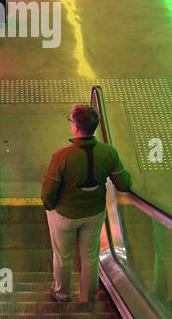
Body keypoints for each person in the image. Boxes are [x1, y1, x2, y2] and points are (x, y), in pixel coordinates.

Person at [41, 104, 133, 303]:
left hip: (65, 215)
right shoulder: (109, 153)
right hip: (93, 214)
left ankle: (62, 294)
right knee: (90, 257)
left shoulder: (62, 156)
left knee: (63, 257)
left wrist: (51, 207)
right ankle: (87, 297)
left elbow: (47, 195)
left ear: (75, 127)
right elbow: (124, 184)